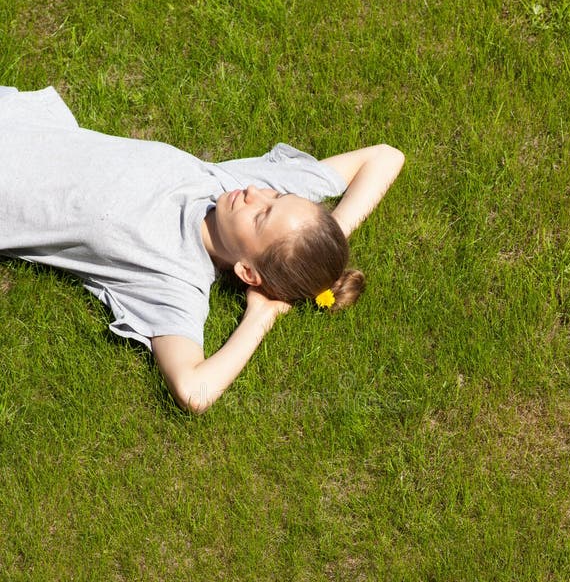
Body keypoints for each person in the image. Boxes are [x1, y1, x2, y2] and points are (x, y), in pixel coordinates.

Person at [0, 85, 404, 412]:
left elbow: (195, 391)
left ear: (248, 272)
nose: (253, 194)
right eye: (275, 196)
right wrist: (325, 236)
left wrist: (261, 316)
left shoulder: (172, 279)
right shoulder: (230, 182)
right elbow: (385, 158)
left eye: (261, 216)